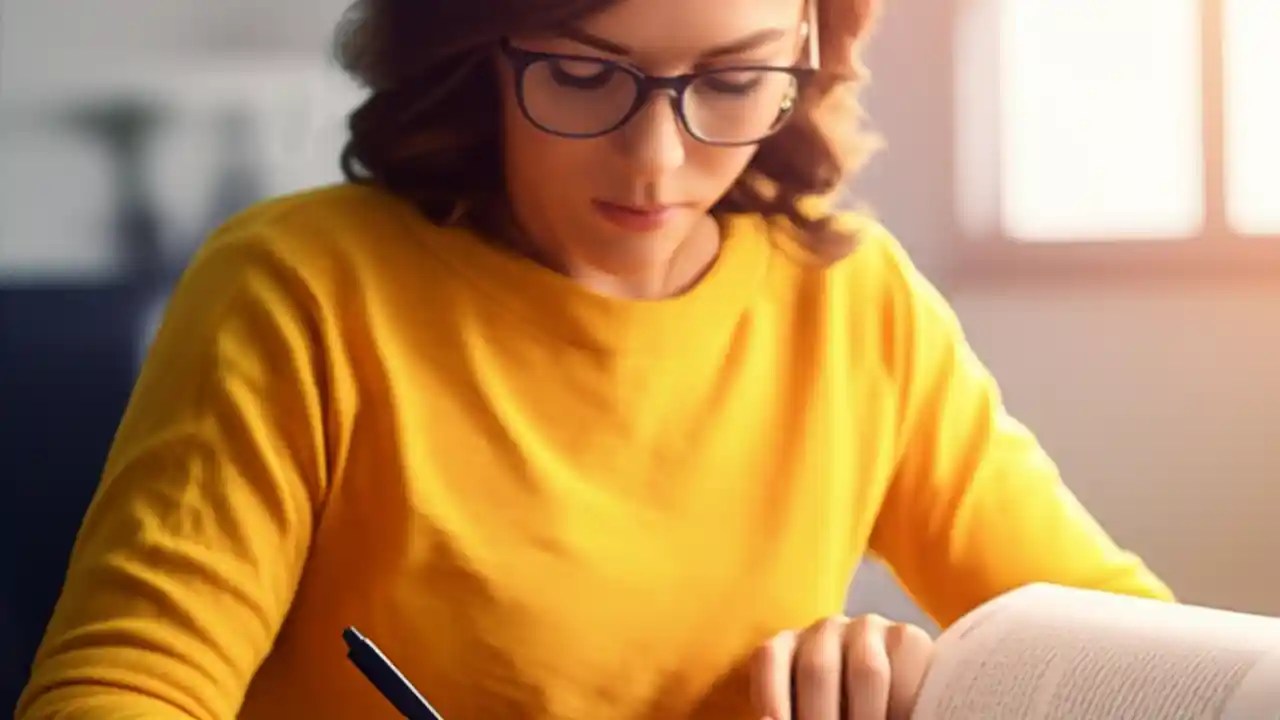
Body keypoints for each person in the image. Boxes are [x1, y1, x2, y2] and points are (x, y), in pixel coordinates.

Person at [15, 0, 1175, 717]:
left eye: (729, 81)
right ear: (477, 43)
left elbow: (1137, 663)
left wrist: (949, 691)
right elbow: (127, 687)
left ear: (810, 51)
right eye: (582, 73)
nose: (653, 161)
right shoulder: (299, 289)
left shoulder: (852, 305)